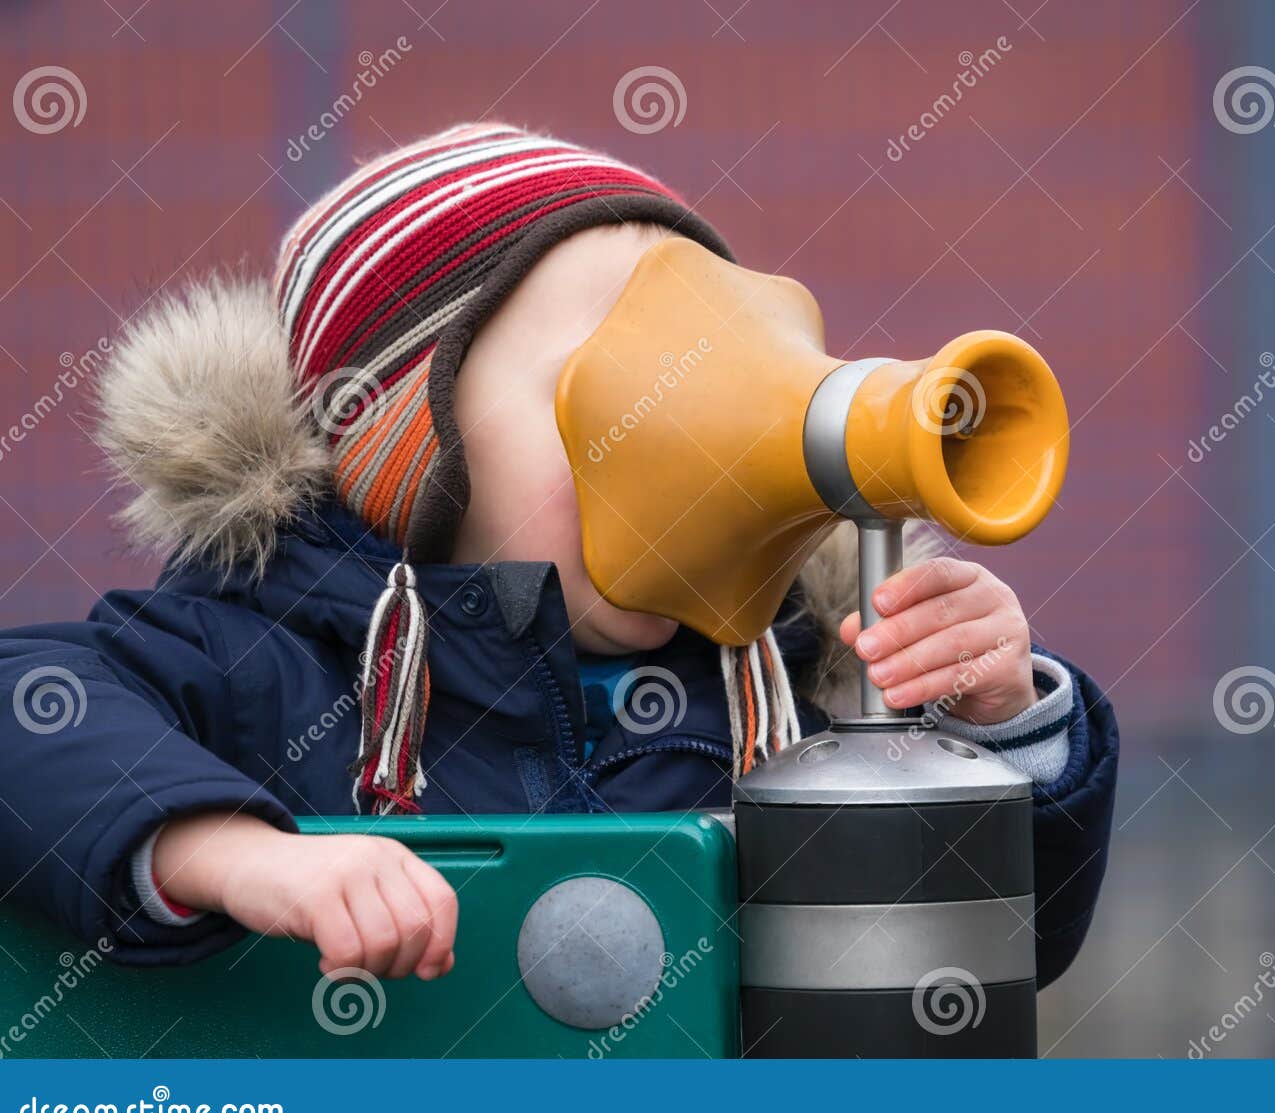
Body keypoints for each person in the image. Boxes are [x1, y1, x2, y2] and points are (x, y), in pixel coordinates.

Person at [0, 124, 1117, 989]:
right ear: (403, 445)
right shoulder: (256, 653)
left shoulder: (790, 694)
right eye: (606, 398)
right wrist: (237, 856)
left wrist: (994, 734)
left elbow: (980, 968)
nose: (667, 449)